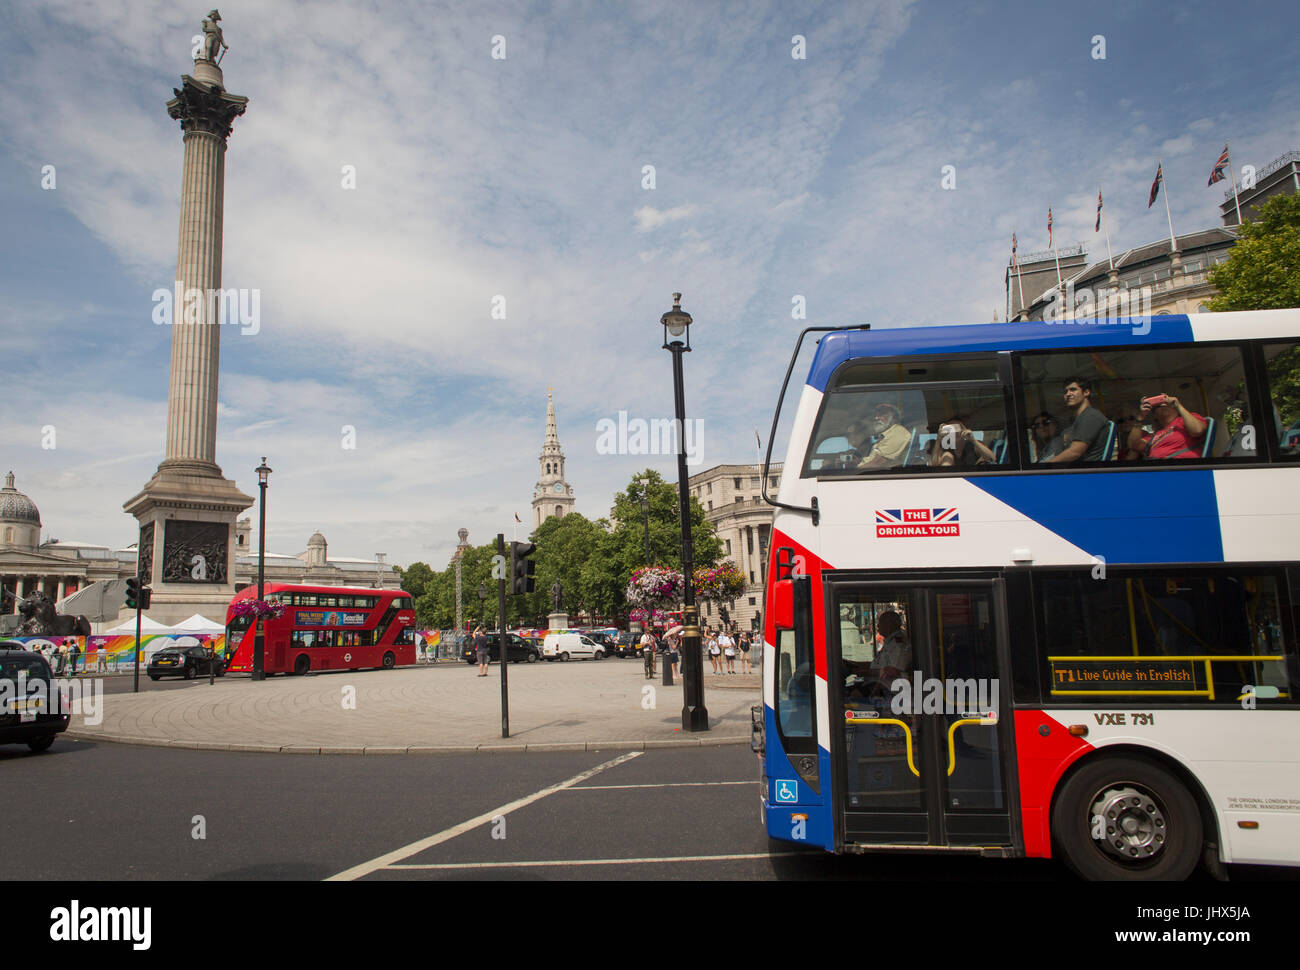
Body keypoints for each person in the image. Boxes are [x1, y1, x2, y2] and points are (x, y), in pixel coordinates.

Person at [1044, 377, 1110, 464]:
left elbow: (1074, 452)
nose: (1068, 394)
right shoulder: (1077, 420)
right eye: (1065, 391)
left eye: (1073, 389)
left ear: (1086, 392)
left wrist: (1044, 466)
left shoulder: (1091, 416)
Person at [1128, 393, 1207, 460]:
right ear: (1155, 415)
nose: (1163, 405)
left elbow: (1197, 430)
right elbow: (1134, 445)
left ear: (1175, 408)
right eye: (1158, 406)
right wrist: (1141, 417)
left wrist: (1178, 405)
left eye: (1167, 403)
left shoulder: (1187, 420)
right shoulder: (1154, 435)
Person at [848, 402, 912, 470]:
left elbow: (878, 463)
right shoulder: (886, 435)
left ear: (894, 417)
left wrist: (852, 474)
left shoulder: (898, 433)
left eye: (882, 414)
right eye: (876, 414)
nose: (876, 418)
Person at [928, 417, 997, 467]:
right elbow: (933, 465)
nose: (955, 432)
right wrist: (939, 439)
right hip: (951, 481)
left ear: (964, 429)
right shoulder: (944, 447)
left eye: (958, 427)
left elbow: (992, 459)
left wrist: (973, 441)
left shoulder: (974, 445)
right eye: (951, 428)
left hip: (973, 480)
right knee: (947, 456)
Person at [870, 611, 912, 688]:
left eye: (881, 622)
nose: (878, 625)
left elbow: (892, 671)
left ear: (890, 625)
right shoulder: (890, 642)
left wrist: (864, 672)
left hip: (890, 690)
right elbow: (878, 663)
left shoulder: (898, 644)